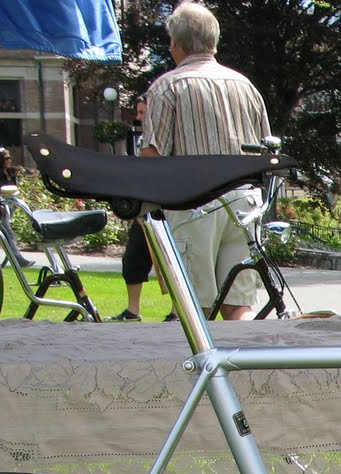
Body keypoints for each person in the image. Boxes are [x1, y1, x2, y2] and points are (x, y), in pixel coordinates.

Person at [141, 2, 270, 319]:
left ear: (175, 43)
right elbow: (266, 152)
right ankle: (242, 366)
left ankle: (199, 368)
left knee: (193, 306)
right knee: (238, 303)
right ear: (214, 41)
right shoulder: (246, 86)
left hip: (194, 201)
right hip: (244, 200)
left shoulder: (167, 86)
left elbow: (152, 156)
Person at [110, 97, 154, 321]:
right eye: (137, 112)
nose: (138, 117)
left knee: (174, 266)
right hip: (143, 213)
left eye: (142, 112)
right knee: (133, 261)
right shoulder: (142, 141)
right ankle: (133, 311)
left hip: (166, 211)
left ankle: (177, 313)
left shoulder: (163, 139)